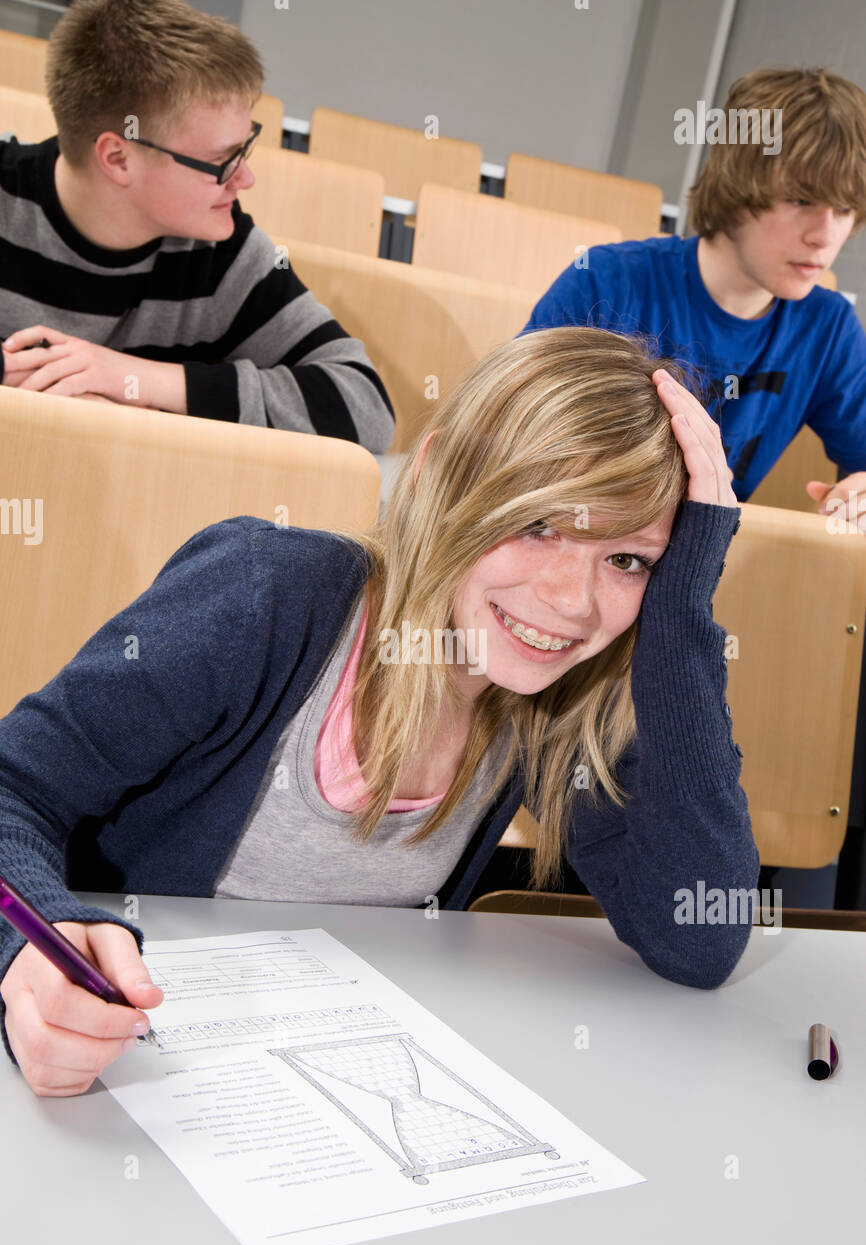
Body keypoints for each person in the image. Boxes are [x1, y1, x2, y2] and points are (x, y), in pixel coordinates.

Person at [0, 326, 759, 1097]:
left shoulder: (562, 700)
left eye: (629, 560)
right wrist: (29, 949)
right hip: (139, 1069)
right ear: (436, 479)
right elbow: (13, 789)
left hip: (331, 1083)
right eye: (538, 525)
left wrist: (680, 624)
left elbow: (698, 939)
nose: (570, 600)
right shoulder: (264, 595)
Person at [0, 0, 395, 450]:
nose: (245, 178)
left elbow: (366, 408)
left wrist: (133, 379)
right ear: (118, 157)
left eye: (244, 149)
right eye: (220, 161)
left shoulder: (223, 251)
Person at [524, 67, 866, 523]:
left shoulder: (829, 327)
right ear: (738, 185)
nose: (825, 237)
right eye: (801, 200)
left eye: (844, 208)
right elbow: (510, 443)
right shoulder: (605, 282)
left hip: (704, 567)